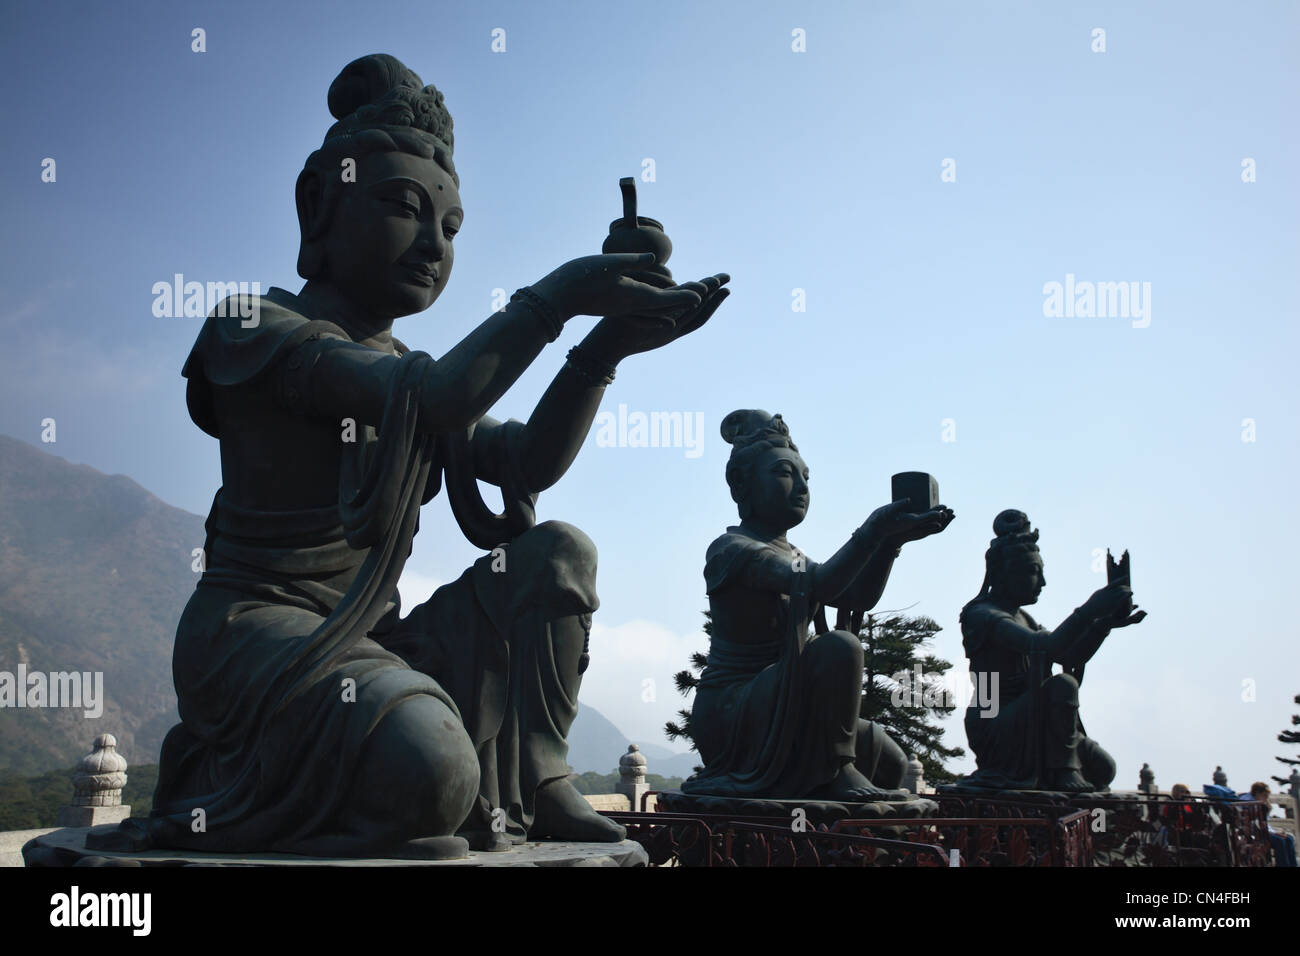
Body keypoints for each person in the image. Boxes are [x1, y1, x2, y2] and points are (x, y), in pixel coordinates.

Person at [91, 54, 729, 858]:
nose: (432, 243)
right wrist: (562, 295)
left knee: (558, 552)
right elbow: (431, 398)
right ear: (318, 204)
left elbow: (527, 460)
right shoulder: (254, 326)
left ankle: (543, 775)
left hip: (375, 646)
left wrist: (605, 344)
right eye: (403, 207)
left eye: (452, 227)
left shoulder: (412, 372)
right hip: (257, 636)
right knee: (430, 768)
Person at [682, 410, 953, 800]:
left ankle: (849, 820)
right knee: (840, 646)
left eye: (806, 477)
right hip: (737, 708)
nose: (801, 487)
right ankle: (836, 770)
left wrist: (891, 543)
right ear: (741, 484)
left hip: (789, 699)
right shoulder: (732, 550)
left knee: (889, 762)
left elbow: (855, 596)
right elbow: (824, 583)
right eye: (784, 473)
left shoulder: (793, 554)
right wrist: (872, 532)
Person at [958, 510, 1145, 792]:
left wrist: (1103, 625)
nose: (1042, 582)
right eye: (1033, 572)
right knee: (1063, 685)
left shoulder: (1025, 619)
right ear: (1005, 572)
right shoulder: (982, 615)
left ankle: (1064, 769)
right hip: (993, 717)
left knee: (1104, 769)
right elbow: (1046, 647)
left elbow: (1067, 656)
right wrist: (1088, 611)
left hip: (1032, 714)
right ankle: (1063, 772)